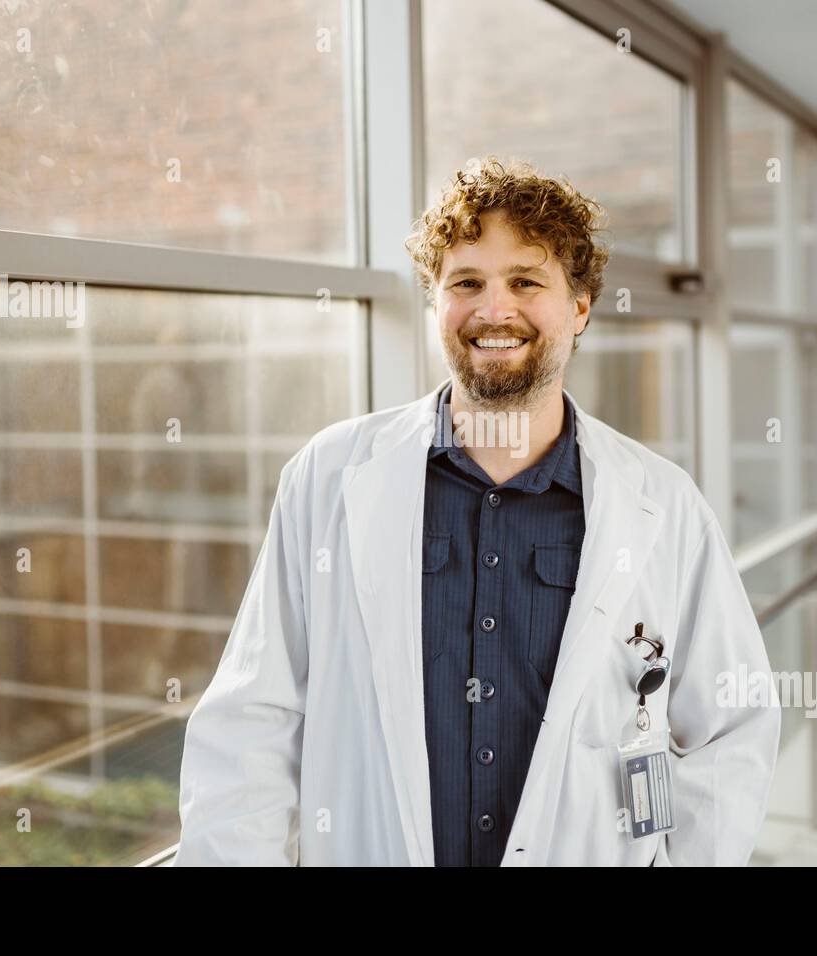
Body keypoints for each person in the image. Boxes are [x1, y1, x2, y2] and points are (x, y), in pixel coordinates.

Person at [176, 156, 780, 866]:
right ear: (436, 302)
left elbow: (730, 732)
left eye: (526, 281)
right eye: (466, 283)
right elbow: (253, 723)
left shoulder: (663, 506)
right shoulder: (330, 478)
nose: (494, 311)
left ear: (580, 306)